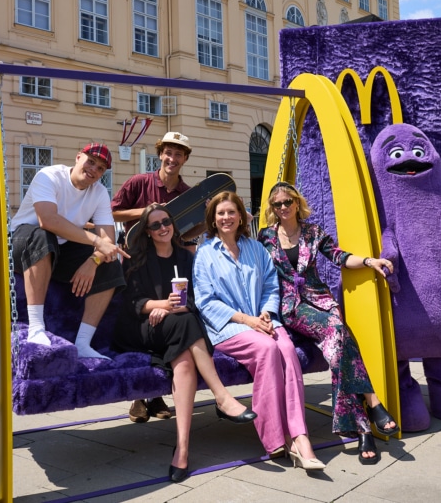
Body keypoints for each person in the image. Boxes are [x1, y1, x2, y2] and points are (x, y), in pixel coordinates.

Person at [113, 204, 257, 482]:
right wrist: (161, 305)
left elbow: (196, 298)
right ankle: (222, 397)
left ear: (173, 224)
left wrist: (177, 307)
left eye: (166, 221)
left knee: (185, 360)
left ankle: (182, 448)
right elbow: (132, 302)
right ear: (147, 231)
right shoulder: (137, 258)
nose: (162, 228)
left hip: (176, 327)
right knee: (188, 323)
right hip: (141, 327)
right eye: (155, 225)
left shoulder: (186, 257)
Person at [257, 181, 397, 464]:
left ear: (297, 202)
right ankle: (372, 402)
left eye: (287, 201)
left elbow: (338, 256)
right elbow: (255, 269)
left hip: (320, 300)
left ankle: (363, 430)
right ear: (272, 208)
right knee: (339, 332)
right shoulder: (265, 236)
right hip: (293, 308)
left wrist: (369, 261)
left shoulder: (313, 232)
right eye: (277, 204)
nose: (283, 207)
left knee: (338, 349)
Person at [193, 191, 325, 471]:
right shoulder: (205, 254)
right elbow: (205, 301)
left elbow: (270, 286)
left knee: (287, 349)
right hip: (228, 327)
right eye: (220, 213)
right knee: (267, 348)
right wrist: (247, 321)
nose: (226, 217)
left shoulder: (256, 248)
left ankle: (300, 437)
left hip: (262, 320)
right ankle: (275, 437)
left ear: (241, 216)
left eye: (231, 212)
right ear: (213, 220)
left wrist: (266, 312)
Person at [9, 143, 128, 358]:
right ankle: (36, 328)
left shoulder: (99, 192)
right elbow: (47, 220)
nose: (93, 169)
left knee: (110, 263)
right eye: (91, 161)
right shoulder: (49, 175)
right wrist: (96, 242)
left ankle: (83, 344)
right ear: (78, 157)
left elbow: (108, 240)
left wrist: (93, 261)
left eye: (100, 168)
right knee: (43, 236)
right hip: (23, 241)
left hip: (60, 247)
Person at [112, 131, 199, 423]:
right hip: (137, 262)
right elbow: (114, 213)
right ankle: (139, 397)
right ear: (160, 154)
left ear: (185, 159)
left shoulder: (186, 192)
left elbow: (188, 229)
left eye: (179, 154)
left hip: (167, 262)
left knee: (165, 322)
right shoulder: (139, 182)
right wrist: (148, 213)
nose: (172, 158)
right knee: (141, 316)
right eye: (168, 152)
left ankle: (157, 394)